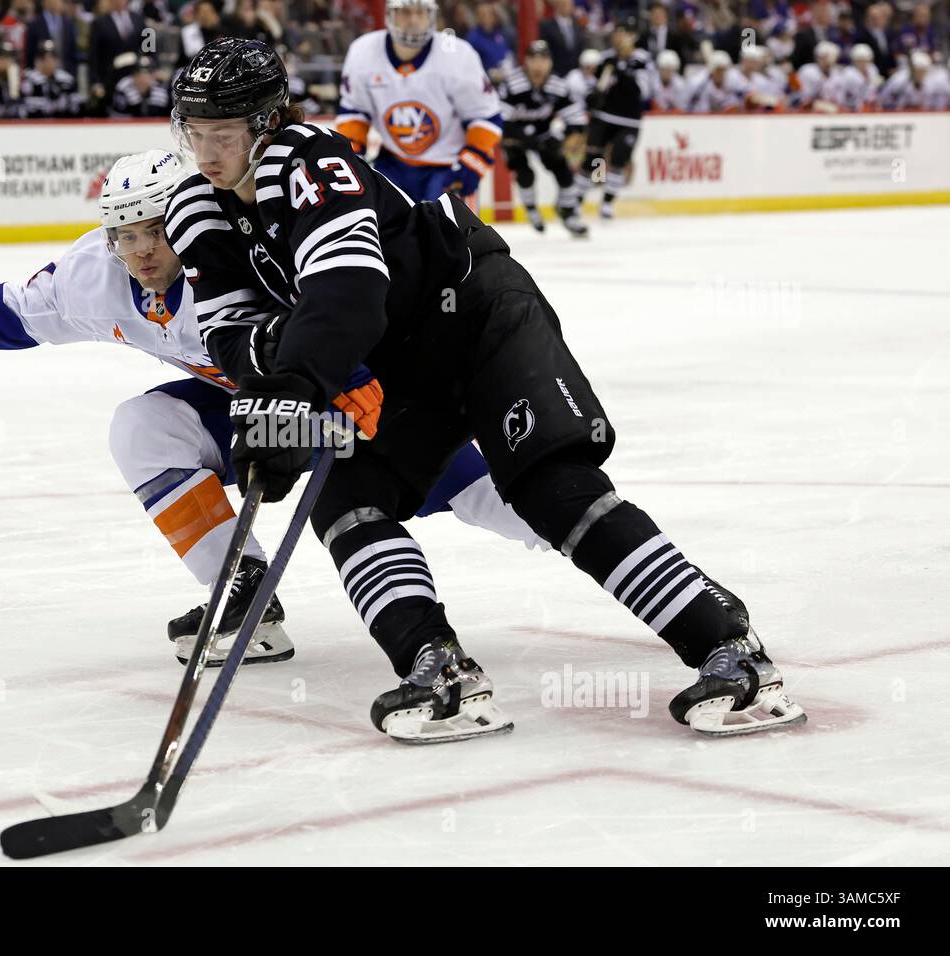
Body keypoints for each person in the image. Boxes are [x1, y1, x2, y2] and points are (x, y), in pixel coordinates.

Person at [166, 37, 807, 741]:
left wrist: (292, 382)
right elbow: (232, 334)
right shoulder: (196, 206)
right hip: (400, 359)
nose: (204, 153)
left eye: (221, 134)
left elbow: (348, 292)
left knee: (549, 487)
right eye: (192, 132)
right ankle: (438, 672)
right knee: (346, 496)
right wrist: (274, 396)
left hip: (476, 311)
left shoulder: (314, 162)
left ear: (265, 125)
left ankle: (731, 651)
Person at [0, 148, 546, 667]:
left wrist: (351, 379)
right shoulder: (94, 276)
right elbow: (3, 314)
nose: (137, 250)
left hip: (365, 392)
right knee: (141, 427)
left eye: (154, 230)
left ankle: (602, 548)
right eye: (124, 233)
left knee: (495, 499)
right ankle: (243, 592)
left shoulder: (245, 246)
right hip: (255, 409)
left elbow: (348, 302)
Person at [336, 0, 502, 204]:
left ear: (431, 16)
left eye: (420, 13)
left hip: (447, 166)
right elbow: (354, 112)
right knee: (384, 233)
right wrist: (352, 160)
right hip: (392, 165)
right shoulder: (363, 51)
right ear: (390, 15)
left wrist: (471, 163)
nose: (413, 20)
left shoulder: (457, 54)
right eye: (405, 12)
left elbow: (486, 117)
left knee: (450, 234)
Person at [497, 40, 588, 237]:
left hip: (544, 133)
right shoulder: (513, 84)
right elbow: (500, 119)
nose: (539, 65)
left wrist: (567, 135)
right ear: (526, 62)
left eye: (543, 60)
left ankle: (568, 213)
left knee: (564, 172)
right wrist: (525, 137)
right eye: (534, 60)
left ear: (550, 63)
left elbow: (575, 117)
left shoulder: (558, 85)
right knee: (525, 174)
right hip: (514, 134)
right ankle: (531, 209)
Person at [572, 15, 650, 220]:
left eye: (623, 33)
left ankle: (607, 203)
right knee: (594, 159)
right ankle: (578, 201)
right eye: (617, 33)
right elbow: (596, 87)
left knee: (618, 160)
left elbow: (642, 90)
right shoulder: (607, 58)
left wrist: (622, 70)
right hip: (605, 117)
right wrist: (593, 97)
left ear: (633, 37)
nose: (618, 37)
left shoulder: (640, 59)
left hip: (629, 119)